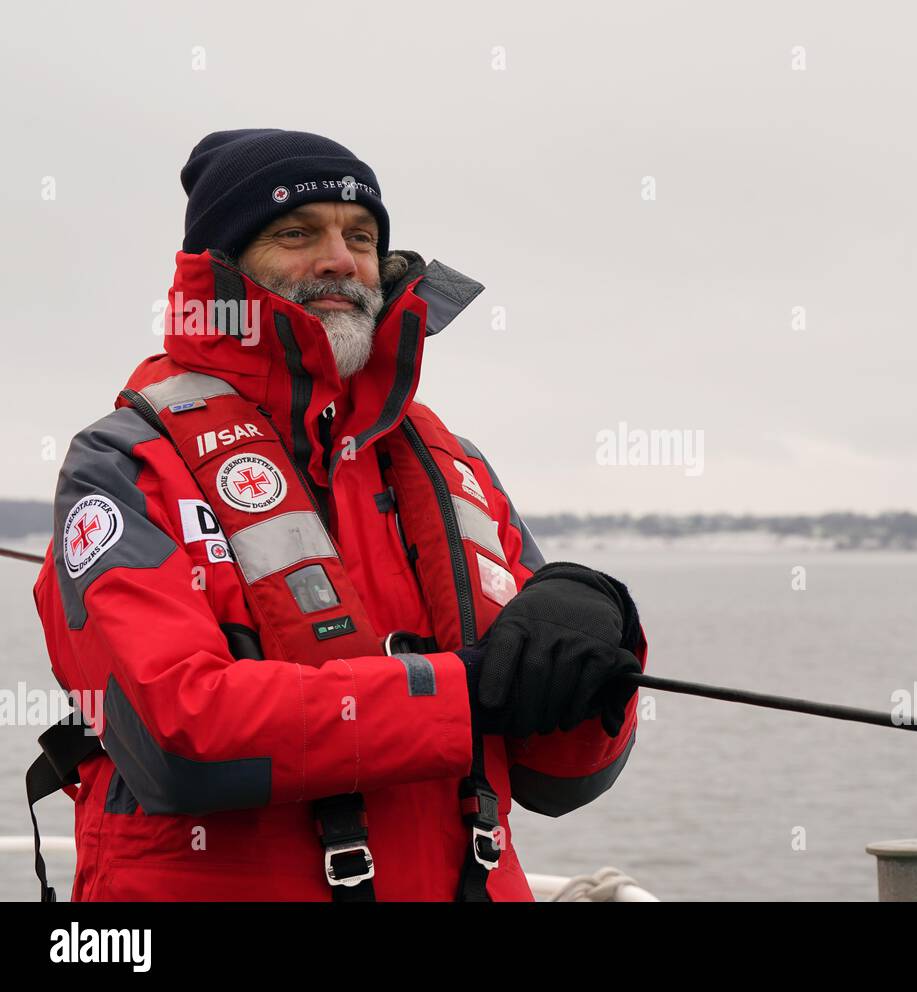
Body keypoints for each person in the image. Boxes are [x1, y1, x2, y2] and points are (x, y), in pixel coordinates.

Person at [28, 129, 647, 902]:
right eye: (296, 233)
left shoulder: (450, 464)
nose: (337, 260)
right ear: (219, 268)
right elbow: (176, 740)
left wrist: (601, 631)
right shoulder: (125, 464)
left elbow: (558, 777)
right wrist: (461, 692)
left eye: (360, 237)